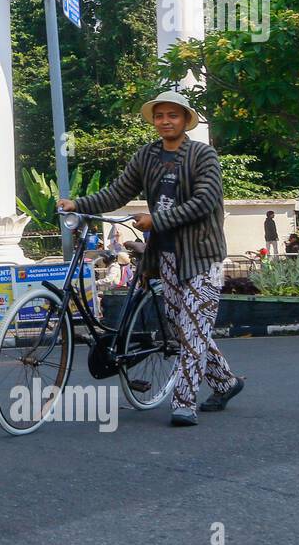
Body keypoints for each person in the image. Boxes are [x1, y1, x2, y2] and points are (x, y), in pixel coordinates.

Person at [58, 91, 243, 427]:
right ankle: (227, 383)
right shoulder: (147, 156)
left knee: (192, 327)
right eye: (160, 116)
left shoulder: (204, 156)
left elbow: (204, 202)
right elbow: (118, 192)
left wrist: (156, 220)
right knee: (184, 328)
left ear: (185, 120)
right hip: (166, 256)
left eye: (173, 115)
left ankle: (184, 402)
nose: (165, 121)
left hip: (202, 256)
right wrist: (79, 204)